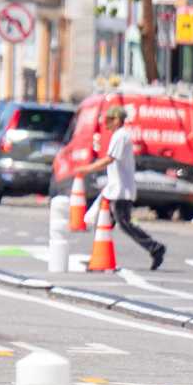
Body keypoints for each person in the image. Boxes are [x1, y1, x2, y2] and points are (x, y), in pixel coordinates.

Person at [67, 104, 165, 270]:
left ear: (117, 120)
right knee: (104, 222)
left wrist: (86, 169)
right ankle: (99, 256)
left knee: (124, 223)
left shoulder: (121, 136)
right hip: (114, 189)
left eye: (108, 119)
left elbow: (109, 159)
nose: (105, 122)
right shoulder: (119, 136)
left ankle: (155, 247)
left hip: (121, 190)